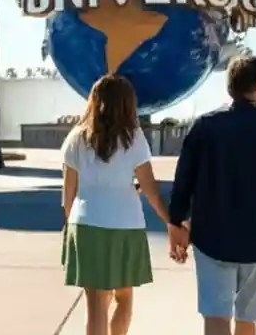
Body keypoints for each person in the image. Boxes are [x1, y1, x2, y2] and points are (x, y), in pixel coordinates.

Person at [168, 55, 256, 335]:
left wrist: (176, 222)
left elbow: (183, 180)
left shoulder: (204, 127)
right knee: (247, 317)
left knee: (216, 316)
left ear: (229, 86)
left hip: (211, 235)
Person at [61, 75, 171, 335]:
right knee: (124, 297)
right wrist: (171, 222)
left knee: (96, 305)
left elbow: (69, 194)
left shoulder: (76, 138)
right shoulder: (134, 138)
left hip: (87, 224)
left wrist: (68, 224)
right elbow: (151, 189)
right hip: (126, 225)